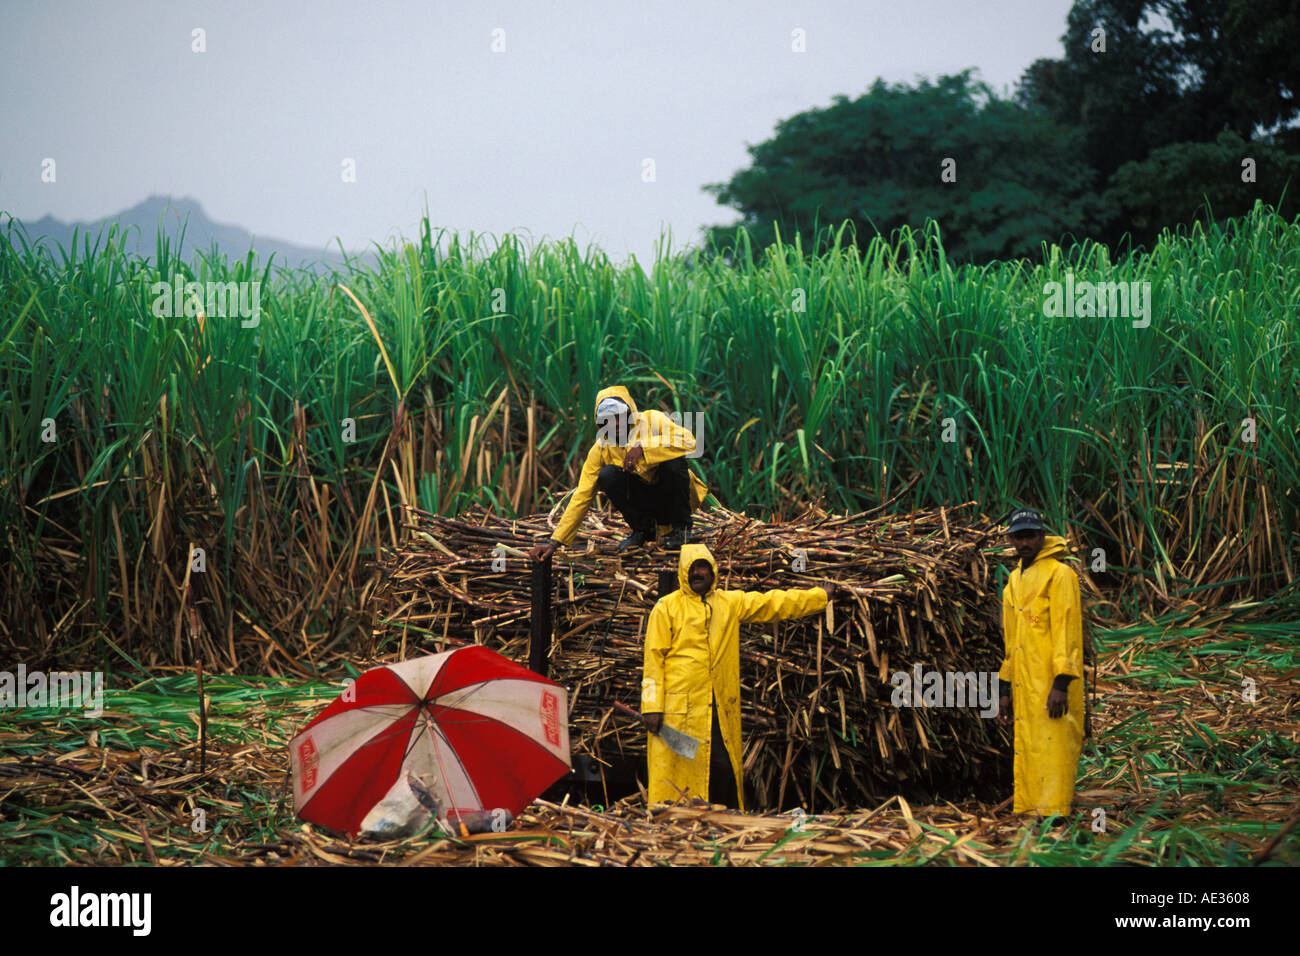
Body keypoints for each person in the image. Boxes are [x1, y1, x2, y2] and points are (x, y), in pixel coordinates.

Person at [640, 543, 834, 810]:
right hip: (677, 709)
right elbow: (653, 660)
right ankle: (671, 820)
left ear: (713, 572)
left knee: (719, 764)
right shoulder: (667, 608)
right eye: (692, 568)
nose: (698, 573)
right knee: (677, 766)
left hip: (718, 704)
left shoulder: (729, 603)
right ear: (684, 572)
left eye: (703, 568)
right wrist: (651, 707)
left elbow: (772, 603)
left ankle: (721, 822)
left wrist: (818, 597)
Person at [527, 385, 708, 558]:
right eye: (608, 419)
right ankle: (643, 530)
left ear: (629, 414)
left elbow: (690, 441)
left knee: (674, 462)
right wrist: (554, 543)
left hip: (671, 497)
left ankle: (681, 530)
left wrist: (643, 448)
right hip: (645, 503)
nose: (615, 423)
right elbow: (582, 495)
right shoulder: (601, 449)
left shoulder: (653, 420)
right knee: (608, 475)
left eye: (619, 416)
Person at [996, 508, 1084, 821]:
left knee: (1055, 744)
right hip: (1025, 680)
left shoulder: (1060, 575)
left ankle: (1056, 811)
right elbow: (1012, 640)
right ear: (1010, 539)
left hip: (1052, 682)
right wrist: (1005, 688)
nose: (1025, 542)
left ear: (1042, 536)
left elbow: (1067, 630)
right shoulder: (1013, 581)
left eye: (1031, 535)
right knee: (1032, 746)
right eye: (1019, 536)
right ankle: (1032, 808)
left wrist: (1061, 683)